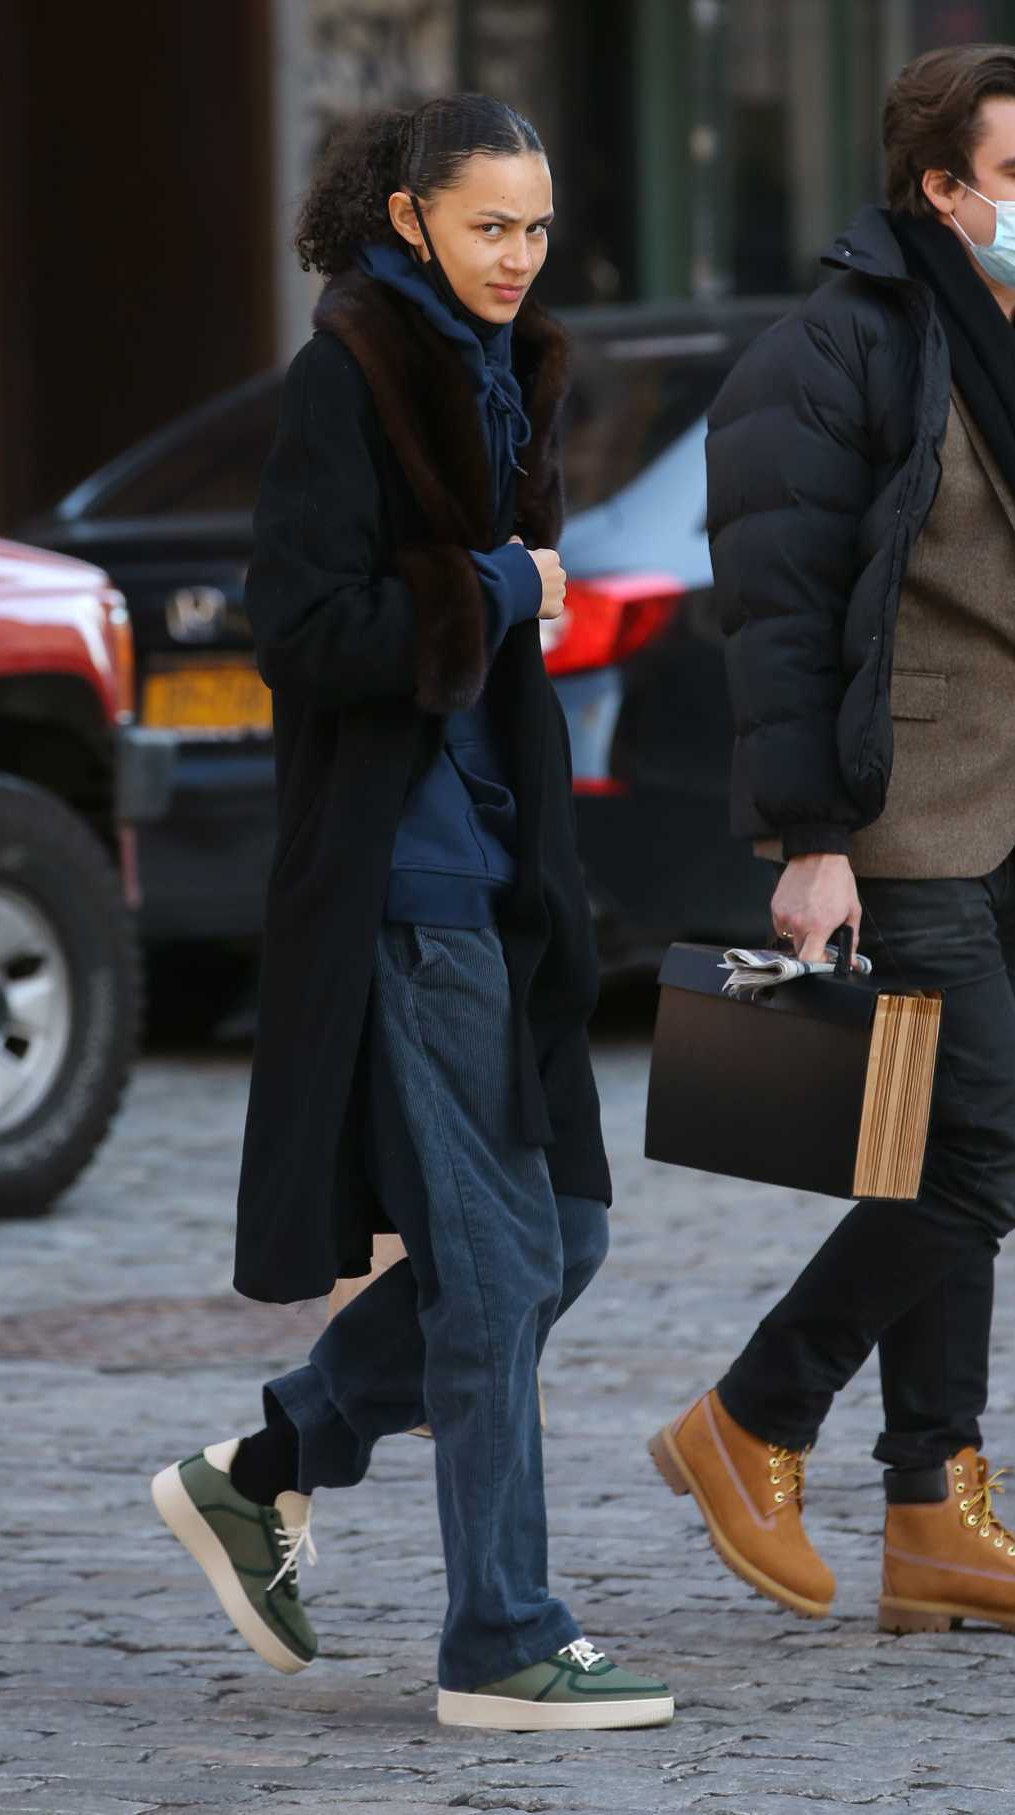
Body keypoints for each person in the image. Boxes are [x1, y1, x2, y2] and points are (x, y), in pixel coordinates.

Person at [151, 94, 673, 1732]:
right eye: (485, 225)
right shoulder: (353, 373)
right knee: (504, 1260)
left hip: (502, 875)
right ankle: (500, 1638)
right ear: (407, 221)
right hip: (406, 877)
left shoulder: (497, 373)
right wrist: (500, 591)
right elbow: (303, 629)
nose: (515, 254)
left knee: (558, 1234)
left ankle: (270, 1463)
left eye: (530, 226)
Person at [649, 42, 1015, 1638]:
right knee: (988, 1147)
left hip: (1010, 811)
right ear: (944, 189)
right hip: (904, 814)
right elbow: (783, 610)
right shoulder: (843, 349)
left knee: (952, 1156)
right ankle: (750, 1418)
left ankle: (934, 1510)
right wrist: (807, 837)